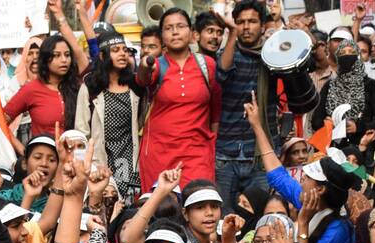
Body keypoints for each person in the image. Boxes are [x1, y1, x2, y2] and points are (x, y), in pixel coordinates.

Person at [245, 97, 360, 243]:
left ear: (319, 190)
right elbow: (277, 176)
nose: (301, 180)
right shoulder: (305, 200)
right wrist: (256, 125)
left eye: (307, 178)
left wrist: (303, 222)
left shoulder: (339, 228)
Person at [137, 7, 222, 190]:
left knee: (198, 203)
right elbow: (143, 79)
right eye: (168, 28)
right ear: (162, 36)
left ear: (192, 33)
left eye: (180, 26)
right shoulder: (157, 65)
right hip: (159, 153)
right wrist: (144, 65)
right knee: (162, 210)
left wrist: (211, 141)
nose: (175, 32)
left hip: (197, 154)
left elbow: (215, 108)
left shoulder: (207, 65)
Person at [215, 1, 276, 206]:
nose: (246, 27)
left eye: (252, 21)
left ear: (263, 25)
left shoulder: (273, 57)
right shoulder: (228, 54)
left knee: (259, 216)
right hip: (226, 153)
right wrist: (231, 34)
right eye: (240, 22)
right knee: (222, 218)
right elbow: (222, 74)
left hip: (259, 154)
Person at [76, 29, 143, 205]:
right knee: (103, 213)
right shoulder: (90, 86)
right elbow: (81, 132)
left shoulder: (135, 85)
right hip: (100, 164)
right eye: (115, 50)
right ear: (103, 56)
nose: (122, 53)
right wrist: (88, 167)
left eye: (124, 49)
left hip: (130, 164)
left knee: (127, 214)